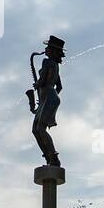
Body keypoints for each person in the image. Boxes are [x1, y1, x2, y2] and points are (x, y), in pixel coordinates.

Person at [29, 36, 65, 166]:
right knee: (36, 129)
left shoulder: (46, 62)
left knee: (39, 129)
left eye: (47, 47)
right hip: (50, 98)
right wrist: (48, 96)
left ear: (52, 50)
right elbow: (59, 87)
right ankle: (49, 158)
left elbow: (43, 80)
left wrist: (38, 85)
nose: (45, 49)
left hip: (49, 97)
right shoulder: (55, 66)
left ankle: (53, 158)